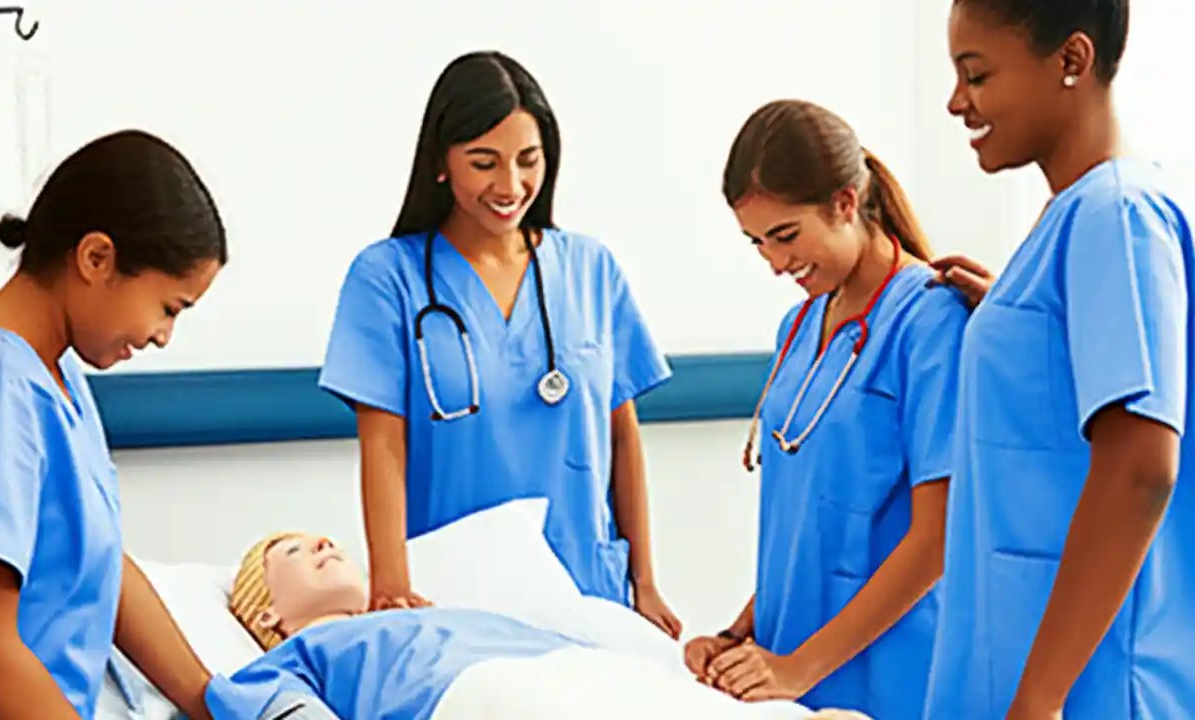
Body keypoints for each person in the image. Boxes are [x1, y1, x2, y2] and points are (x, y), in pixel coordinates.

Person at [317, 50, 681, 637]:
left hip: (588, 592)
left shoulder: (591, 269)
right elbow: (382, 444)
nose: (510, 186)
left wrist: (644, 581)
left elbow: (622, 433)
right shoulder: (388, 278)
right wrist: (390, 584)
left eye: (528, 161)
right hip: (453, 599)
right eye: (484, 163)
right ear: (441, 163)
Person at [927, 1, 1195, 718]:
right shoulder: (1077, 218)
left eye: (976, 74)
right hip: (1017, 669)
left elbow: (1141, 469)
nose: (957, 102)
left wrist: (1041, 700)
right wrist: (1011, 319)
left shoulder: (1117, 213)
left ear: (1072, 61)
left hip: (1087, 690)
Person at [0, 129, 227, 719]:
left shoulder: (55, 376)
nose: (164, 336)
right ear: (96, 258)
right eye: (168, 308)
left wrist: (214, 702)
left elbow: (101, 562)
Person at [683, 99, 970, 720]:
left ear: (845, 202)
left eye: (785, 235)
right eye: (757, 242)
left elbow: (937, 537)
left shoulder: (929, 322)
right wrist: (745, 638)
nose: (775, 262)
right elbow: (812, 526)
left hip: (891, 681)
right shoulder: (800, 325)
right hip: (796, 678)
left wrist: (797, 667)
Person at [204, 531, 873, 720]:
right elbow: (257, 705)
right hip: (472, 695)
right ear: (268, 611)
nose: (323, 542)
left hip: (584, 673)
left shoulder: (469, 611)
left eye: (325, 540)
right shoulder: (307, 650)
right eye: (293, 551)